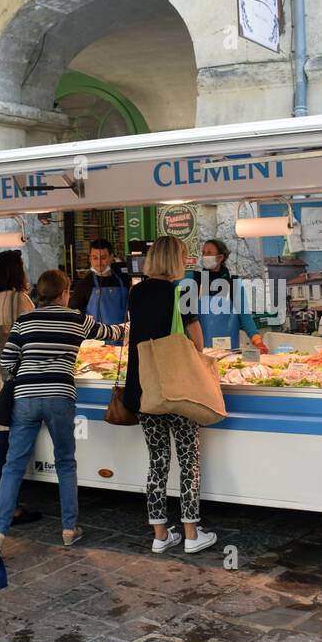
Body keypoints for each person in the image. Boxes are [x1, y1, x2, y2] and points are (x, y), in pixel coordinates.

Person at [0, 269, 128, 551]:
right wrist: (132, 324)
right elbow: (110, 333)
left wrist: (26, 371)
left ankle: (0, 531)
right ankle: (68, 528)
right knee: (65, 462)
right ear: (64, 292)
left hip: (25, 398)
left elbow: (6, 360)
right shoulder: (76, 319)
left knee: (13, 465)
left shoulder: (24, 320)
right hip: (60, 396)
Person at [122, 235, 217, 556]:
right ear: (175, 259)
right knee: (188, 461)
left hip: (146, 387)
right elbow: (198, 342)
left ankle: (160, 535)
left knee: (157, 461)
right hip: (178, 388)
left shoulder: (135, 292)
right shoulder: (184, 291)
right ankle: (192, 533)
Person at [0, 250, 40, 525]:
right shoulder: (19, 299)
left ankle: (3, 502)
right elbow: (35, 335)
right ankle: (10, 508)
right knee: (11, 448)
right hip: (16, 380)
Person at [186, 238, 266, 352]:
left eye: (209, 253)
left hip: (230, 351)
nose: (204, 256)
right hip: (202, 351)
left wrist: (258, 341)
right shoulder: (195, 280)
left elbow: (245, 316)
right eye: (203, 252)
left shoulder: (234, 284)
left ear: (220, 258)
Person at [69, 238, 129, 342]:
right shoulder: (83, 284)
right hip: (95, 344)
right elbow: (73, 316)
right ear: (90, 259)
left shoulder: (125, 280)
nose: (99, 262)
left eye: (103, 257)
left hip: (124, 341)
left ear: (111, 257)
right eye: (95, 258)